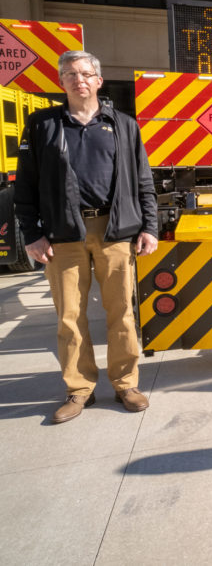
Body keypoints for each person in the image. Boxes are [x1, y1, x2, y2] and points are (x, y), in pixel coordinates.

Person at [15, 50, 159, 424]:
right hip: (63, 234)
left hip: (114, 231)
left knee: (122, 314)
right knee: (69, 317)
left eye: (85, 73)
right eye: (69, 74)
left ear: (98, 80)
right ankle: (79, 389)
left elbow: (144, 180)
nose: (78, 79)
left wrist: (149, 226)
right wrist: (32, 235)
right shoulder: (42, 125)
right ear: (61, 82)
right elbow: (25, 186)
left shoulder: (124, 125)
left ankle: (126, 383)